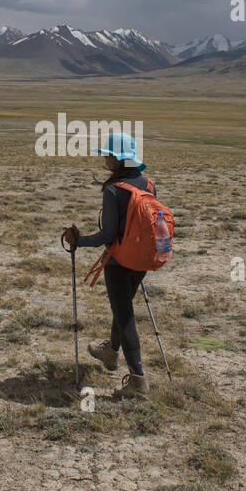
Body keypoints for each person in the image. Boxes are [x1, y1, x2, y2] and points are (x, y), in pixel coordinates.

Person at [61, 132, 154, 397]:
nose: (105, 159)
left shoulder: (114, 189)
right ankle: (111, 352)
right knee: (122, 307)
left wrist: (79, 241)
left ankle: (138, 383)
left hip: (120, 262)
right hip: (143, 259)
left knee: (124, 316)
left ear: (119, 159)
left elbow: (108, 235)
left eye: (108, 155)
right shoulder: (148, 183)